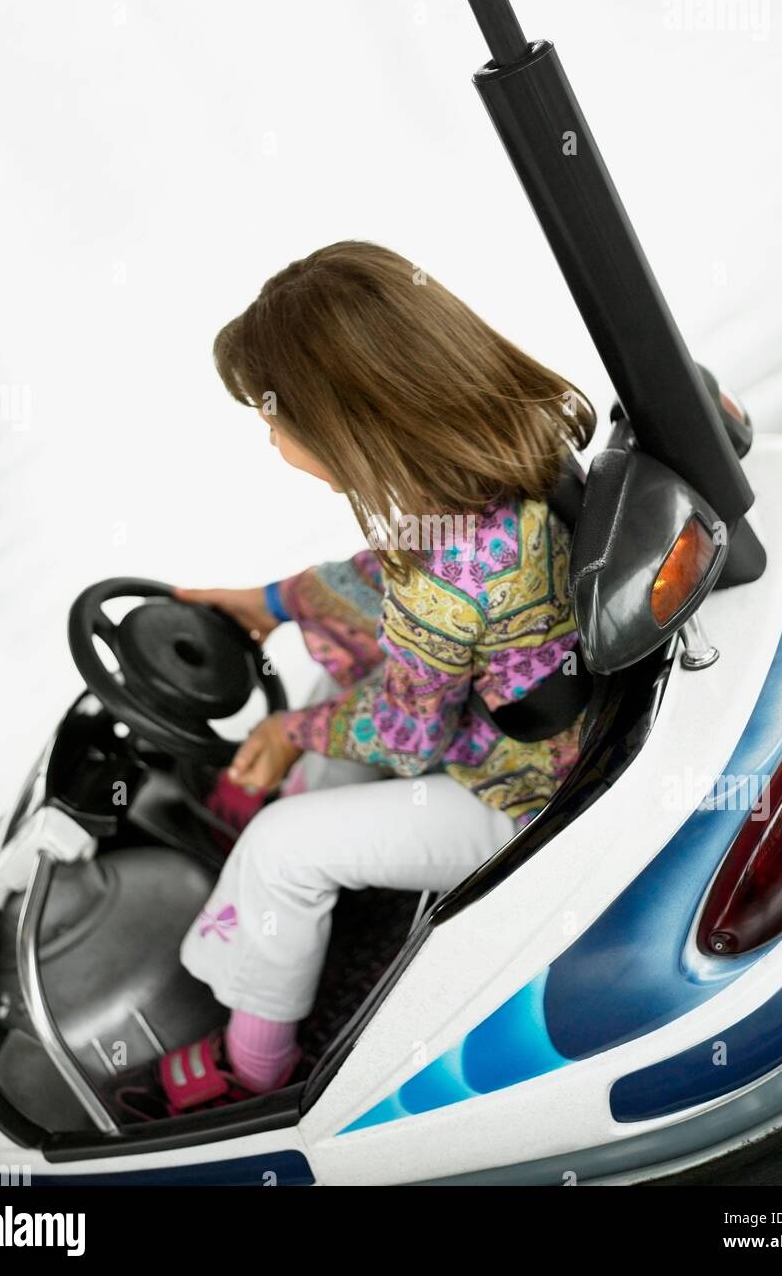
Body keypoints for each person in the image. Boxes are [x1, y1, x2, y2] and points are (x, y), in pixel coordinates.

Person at [141, 239, 596, 1114]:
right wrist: (277, 601)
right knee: (335, 684)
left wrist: (285, 732)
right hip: (548, 728)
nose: (270, 435)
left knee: (283, 850)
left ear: (344, 418)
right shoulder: (510, 457)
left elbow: (406, 731)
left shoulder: (439, 577)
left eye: (275, 417)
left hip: (522, 804)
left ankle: (256, 1069)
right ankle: (277, 798)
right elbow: (384, 579)